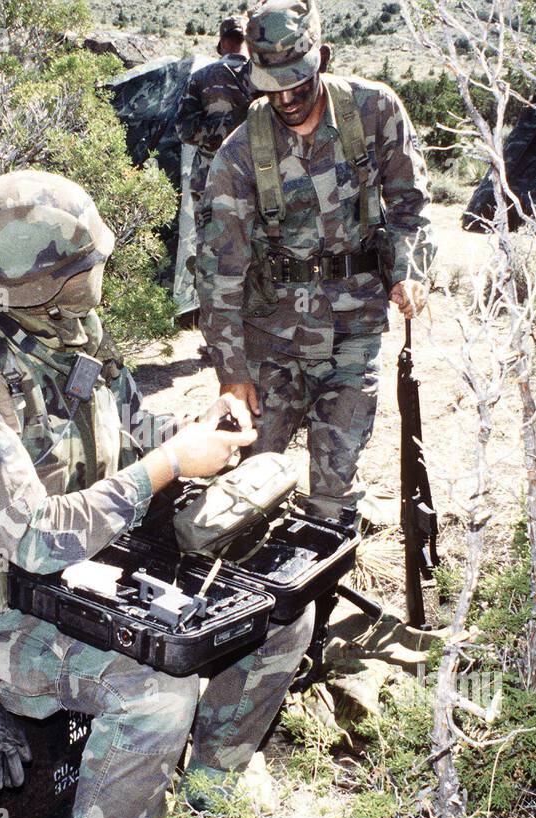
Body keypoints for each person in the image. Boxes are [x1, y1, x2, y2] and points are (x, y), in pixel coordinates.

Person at [0, 169, 315, 818]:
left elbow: (131, 429)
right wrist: (169, 464)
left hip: (91, 566)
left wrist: (195, 433)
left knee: (283, 612)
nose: (101, 269)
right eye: (88, 264)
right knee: (154, 695)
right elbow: (32, 539)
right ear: (47, 284)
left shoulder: (67, 332)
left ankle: (203, 814)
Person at [196, 0, 435, 524]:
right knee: (244, 491)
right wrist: (232, 372)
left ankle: (319, 583)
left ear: (322, 59)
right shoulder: (239, 156)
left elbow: (410, 205)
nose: (284, 99)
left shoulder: (376, 111)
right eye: (271, 86)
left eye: (297, 84)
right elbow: (219, 271)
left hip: (354, 330)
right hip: (271, 339)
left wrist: (409, 271)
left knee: (334, 487)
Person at [174, 16, 259, 235]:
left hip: (211, 179)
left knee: (212, 247)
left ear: (221, 44)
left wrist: (220, 130)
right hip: (258, 176)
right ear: (248, 42)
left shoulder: (201, 78)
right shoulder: (264, 78)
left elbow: (185, 131)